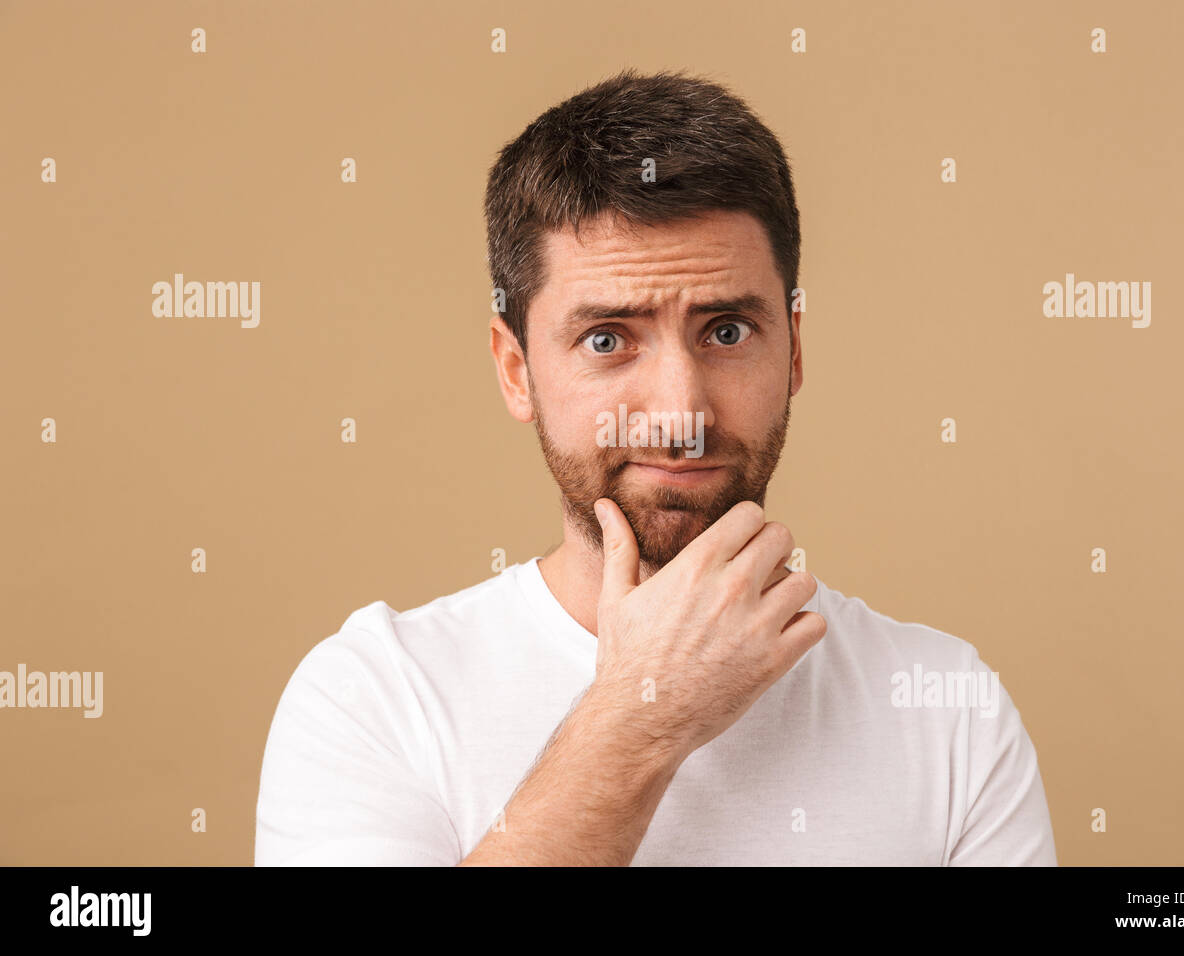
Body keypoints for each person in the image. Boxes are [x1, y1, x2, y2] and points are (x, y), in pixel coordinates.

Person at [254, 68, 1057, 866]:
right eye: (607, 338)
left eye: (728, 331)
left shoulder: (948, 706)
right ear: (515, 368)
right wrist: (642, 718)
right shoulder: (375, 697)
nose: (682, 412)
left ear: (795, 350)